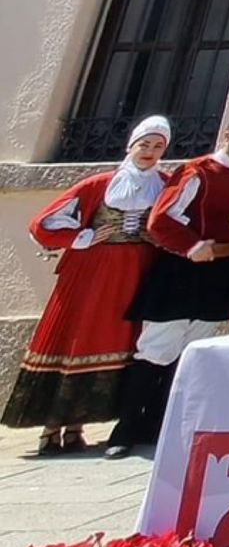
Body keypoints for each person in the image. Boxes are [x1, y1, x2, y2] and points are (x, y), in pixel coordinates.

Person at [3, 117, 172, 456]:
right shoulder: (100, 185)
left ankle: (82, 424)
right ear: (131, 145)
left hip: (138, 271)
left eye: (157, 147)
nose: (150, 152)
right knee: (77, 337)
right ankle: (53, 427)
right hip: (93, 273)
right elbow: (44, 224)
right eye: (145, 144)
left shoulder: (165, 184)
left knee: (120, 342)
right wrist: (85, 237)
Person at [108, 112, 229, 457]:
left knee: (193, 351)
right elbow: (161, 219)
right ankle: (126, 430)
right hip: (182, 272)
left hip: (222, 273)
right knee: (156, 347)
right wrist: (193, 246)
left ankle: (166, 425)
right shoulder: (197, 171)